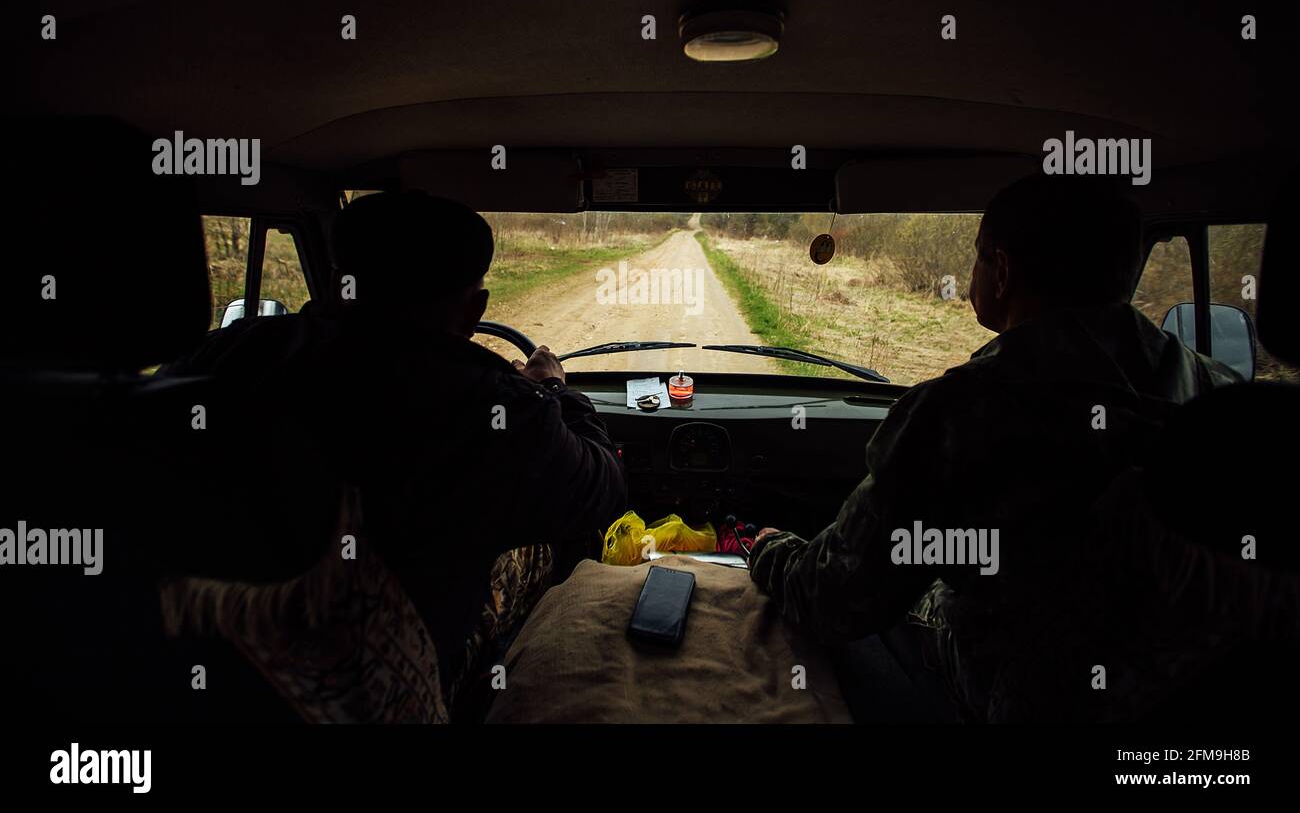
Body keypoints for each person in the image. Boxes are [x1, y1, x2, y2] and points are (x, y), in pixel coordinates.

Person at [746, 176, 1240, 722]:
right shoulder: (1231, 402)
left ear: (1001, 272)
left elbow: (836, 598)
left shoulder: (960, 411)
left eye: (977, 259)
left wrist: (772, 551)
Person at [162, 190, 626, 711]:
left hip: (200, 671)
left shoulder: (223, 354)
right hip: (376, 692)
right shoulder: (494, 408)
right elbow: (601, 490)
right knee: (541, 545)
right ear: (475, 308)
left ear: (340, 279)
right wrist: (555, 392)